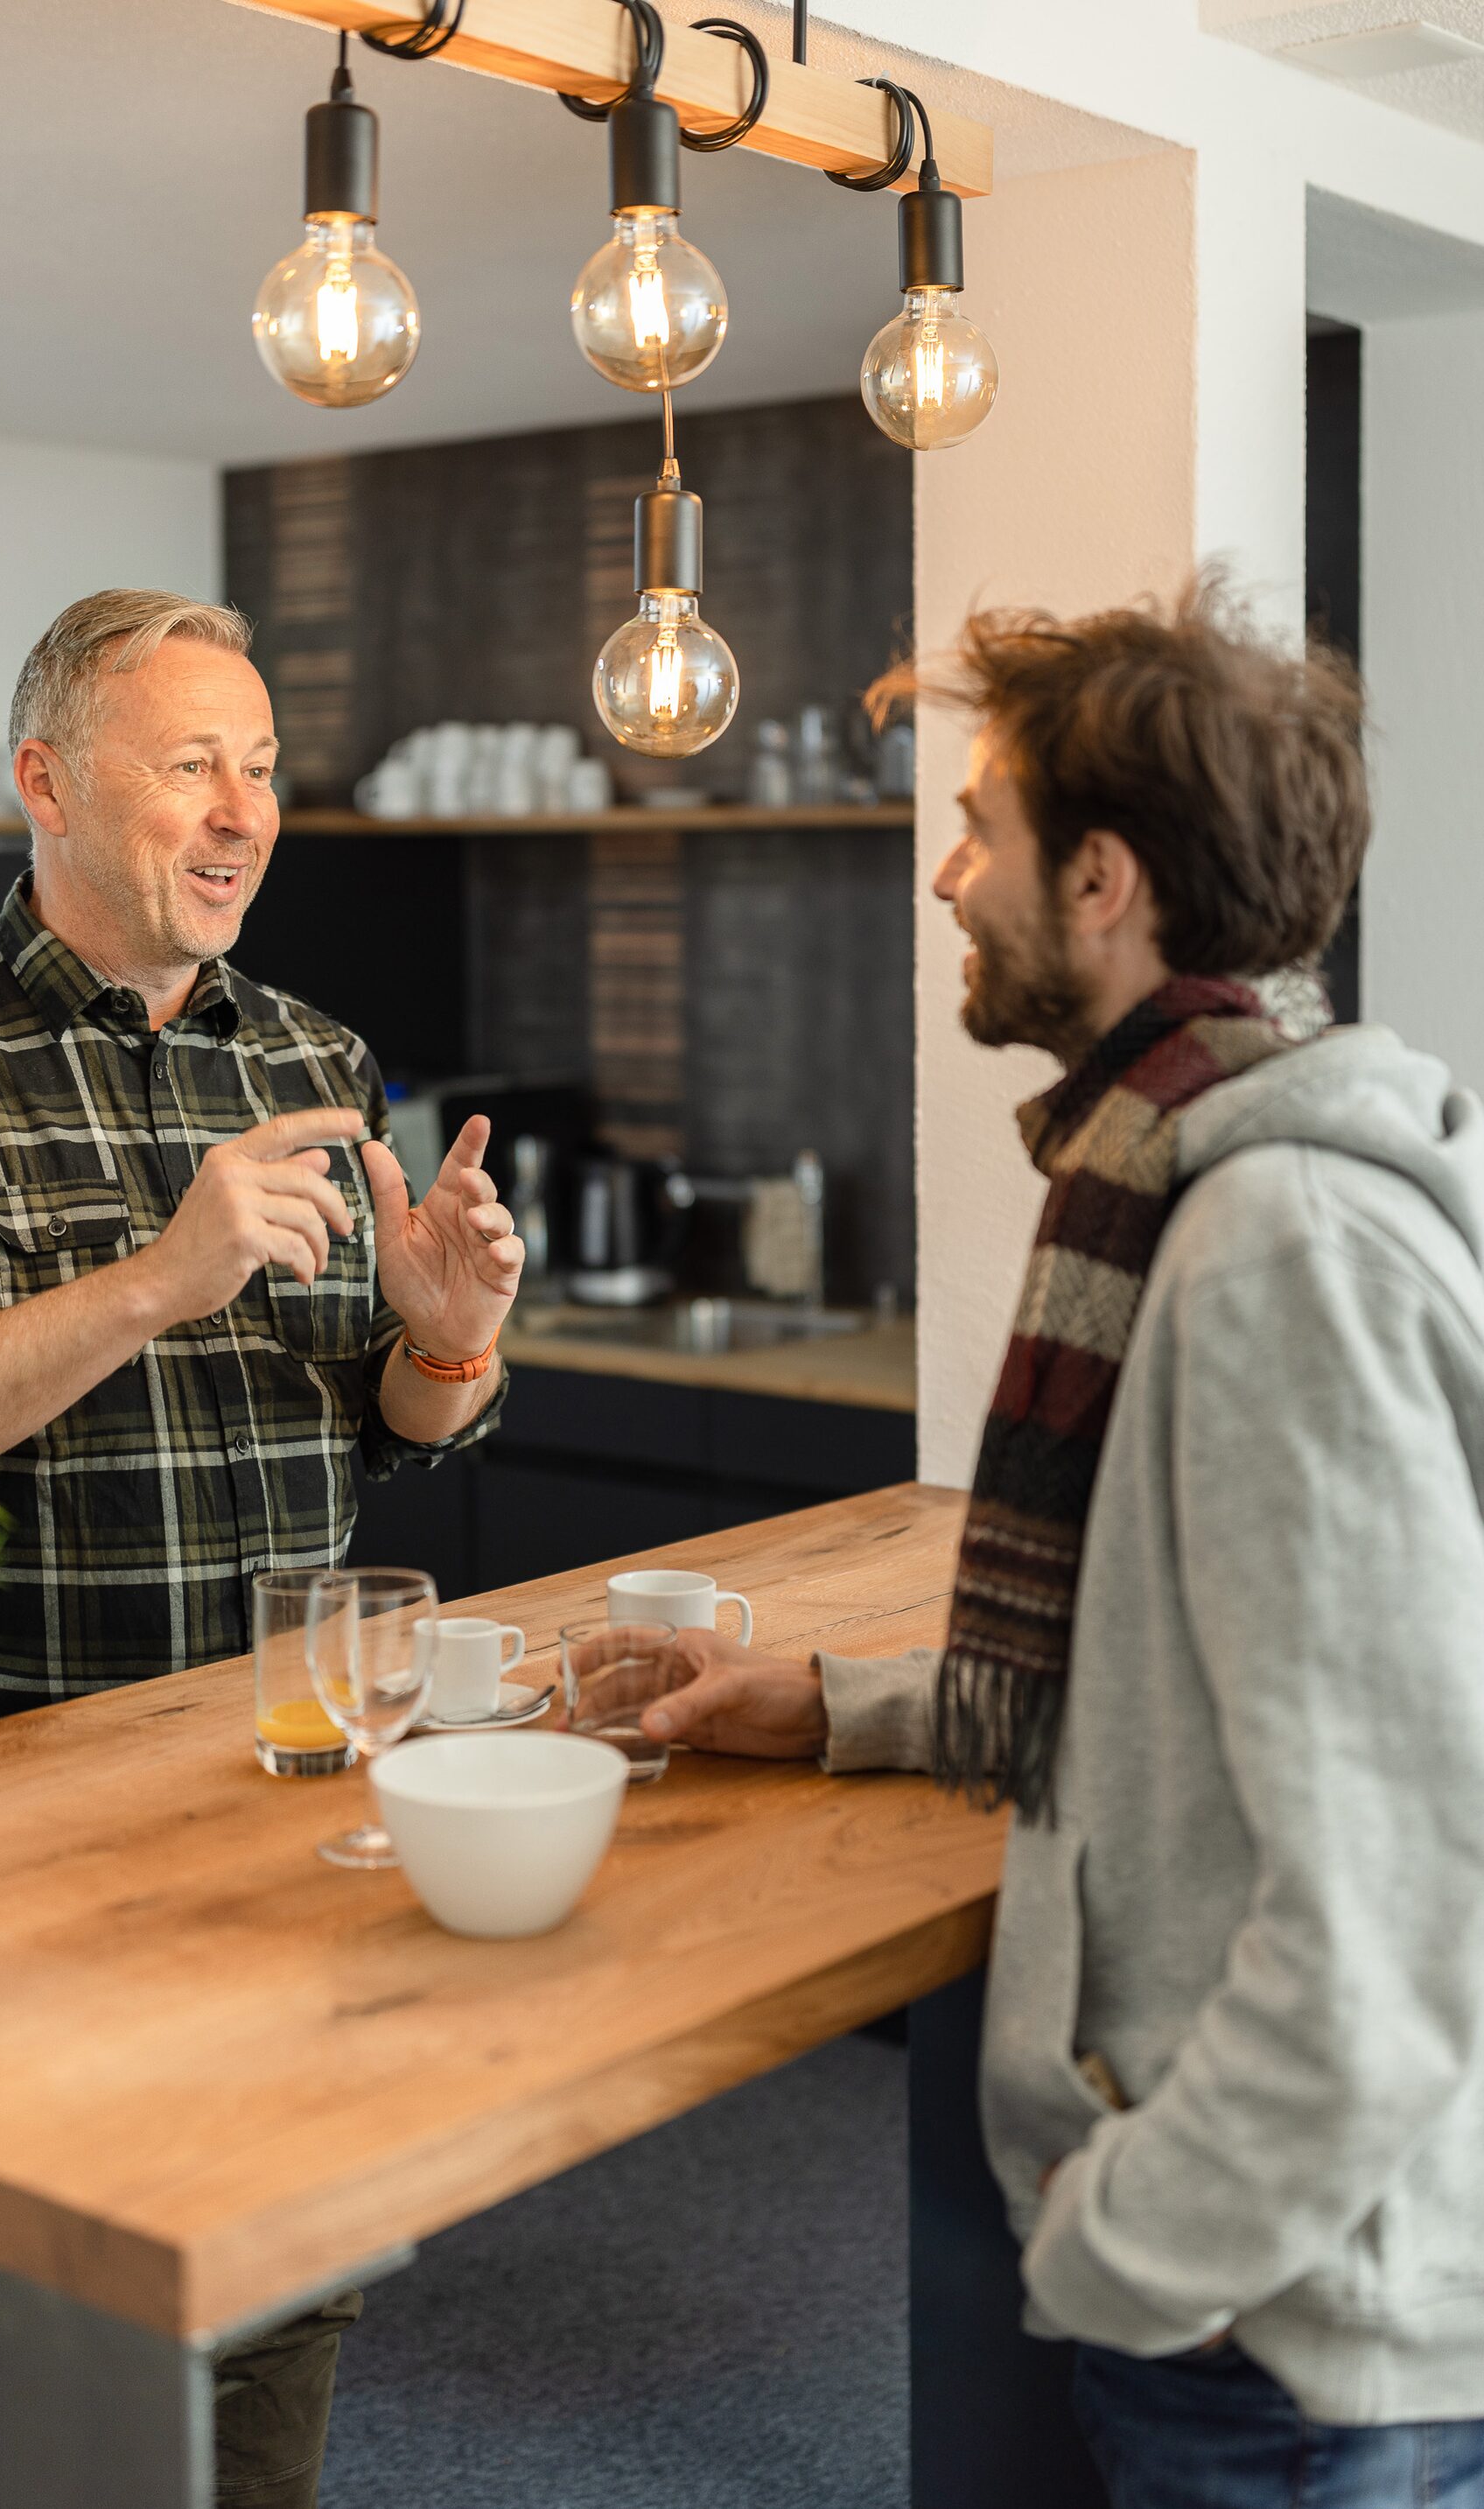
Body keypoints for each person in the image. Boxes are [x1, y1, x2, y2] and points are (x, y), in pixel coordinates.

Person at [598, 585, 1484, 2505]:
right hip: (1262, 2299)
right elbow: (1169, 1687)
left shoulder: (1274, 1252)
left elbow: (1406, 1906)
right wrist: (834, 1703)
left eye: (977, 826)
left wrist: (1117, 2248)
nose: (941, 878)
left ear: (1099, 880)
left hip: (1281, 2336)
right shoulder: (1174, 1184)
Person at [0, 586, 525, 2509]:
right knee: (15, 2357)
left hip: (288, 1818)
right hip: (10, 1851)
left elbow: (399, 1433)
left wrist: (444, 1333)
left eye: (260, 771)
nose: (243, 810)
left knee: (277, 2319)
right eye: (191, 764)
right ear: (47, 784)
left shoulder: (317, 1056)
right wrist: (155, 1282)